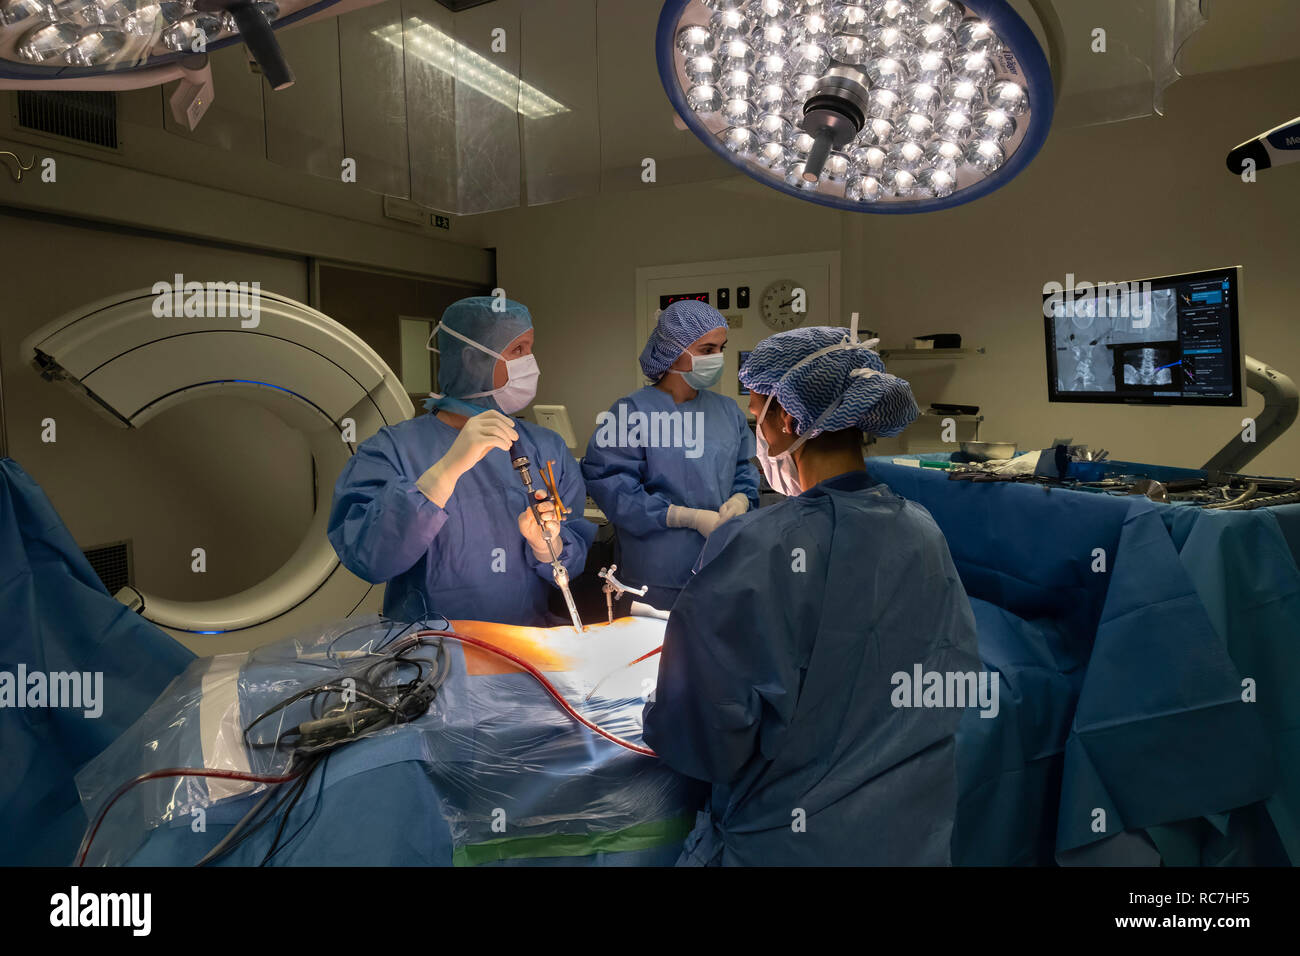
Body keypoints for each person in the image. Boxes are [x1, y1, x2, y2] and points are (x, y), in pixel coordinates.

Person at [642, 324, 980, 865]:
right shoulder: (922, 530)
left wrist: (655, 710)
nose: (760, 436)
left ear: (789, 420)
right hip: (908, 838)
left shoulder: (758, 546)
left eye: (758, 418)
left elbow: (705, 736)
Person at [328, 296, 594, 626]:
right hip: (428, 655)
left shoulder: (544, 447)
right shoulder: (391, 450)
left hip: (526, 644)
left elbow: (568, 563)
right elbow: (369, 560)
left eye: (530, 349)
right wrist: (445, 471)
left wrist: (547, 546)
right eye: (518, 351)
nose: (531, 364)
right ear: (472, 360)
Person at [582, 300, 759, 609]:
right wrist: (682, 516)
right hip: (653, 580)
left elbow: (744, 470)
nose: (717, 358)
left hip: (720, 570)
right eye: (707, 350)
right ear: (673, 350)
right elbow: (614, 490)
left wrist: (741, 499)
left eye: (721, 348)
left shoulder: (727, 411)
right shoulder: (631, 413)